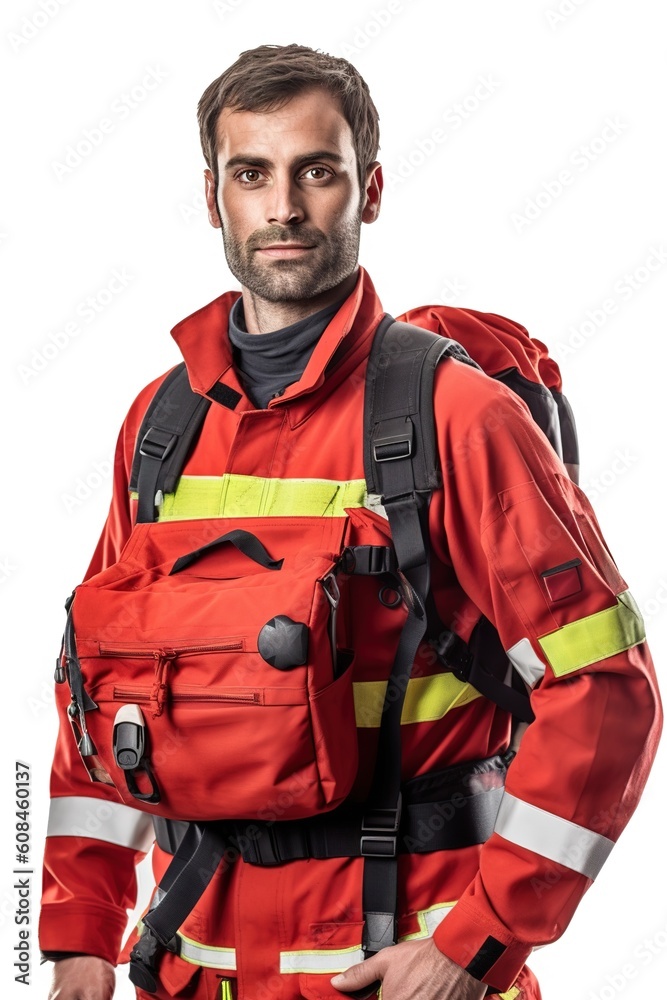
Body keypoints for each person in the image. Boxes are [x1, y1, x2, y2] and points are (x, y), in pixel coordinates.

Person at [40, 43, 661, 1000]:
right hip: (194, 974)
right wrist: (78, 935)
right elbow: (105, 692)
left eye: (316, 171)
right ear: (213, 198)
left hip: (402, 970)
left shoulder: (454, 414)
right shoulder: (161, 427)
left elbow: (607, 692)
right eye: (251, 173)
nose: (283, 208)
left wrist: (474, 947)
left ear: (368, 190)